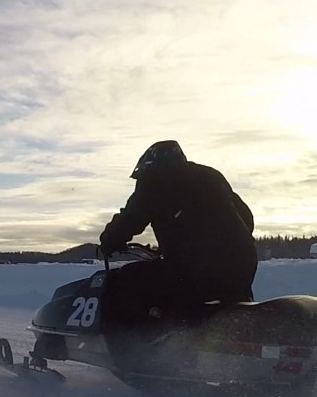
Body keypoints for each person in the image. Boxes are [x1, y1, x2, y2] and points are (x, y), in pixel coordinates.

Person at [98, 140, 256, 337]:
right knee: (176, 283)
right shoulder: (211, 176)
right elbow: (246, 218)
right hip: (243, 269)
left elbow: (132, 217)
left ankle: (129, 348)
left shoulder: (155, 179)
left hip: (197, 271)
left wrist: (109, 239)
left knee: (122, 281)